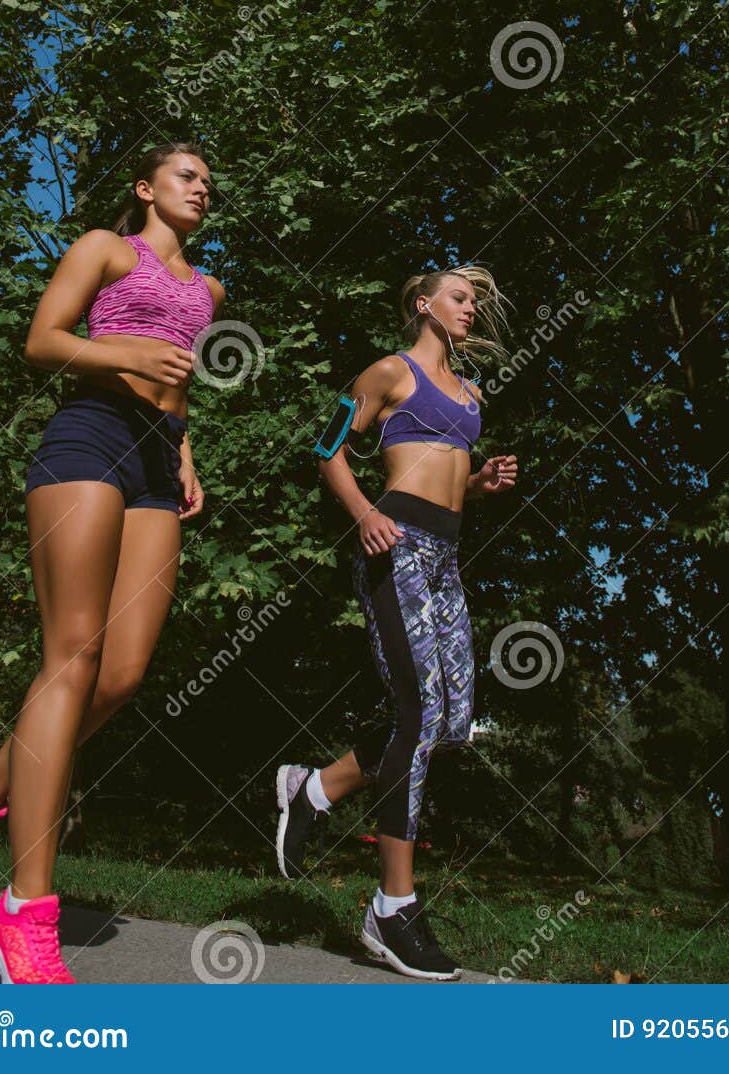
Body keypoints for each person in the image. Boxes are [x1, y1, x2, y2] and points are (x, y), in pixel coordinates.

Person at [0, 142, 223, 984]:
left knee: (124, 674)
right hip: (88, 436)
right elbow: (42, 341)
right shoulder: (105, 247)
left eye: (208, 181)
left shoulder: (210, 290)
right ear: (146, 189)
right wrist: (125, 354)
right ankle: (26, 912)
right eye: (186, 176)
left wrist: (188, 449)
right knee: (74, 653)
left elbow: (180, 385)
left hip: (158, 462)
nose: (201, 188)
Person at [275, 266, 517, 981]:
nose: (471, 310)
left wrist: (479, 485)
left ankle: (313, 790)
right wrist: (364, 512)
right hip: (396, 549)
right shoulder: (390, 372)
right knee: (415, 712)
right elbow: (327, 446)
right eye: (460, 298)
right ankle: (393, 905)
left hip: (446, 556)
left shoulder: (471, 396)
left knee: (449, 721)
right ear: (423, 304)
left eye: (476, 301)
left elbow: (442, 478)